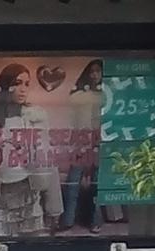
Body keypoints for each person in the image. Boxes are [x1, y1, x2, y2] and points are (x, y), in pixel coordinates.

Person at [0, 63, 60, 239]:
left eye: (27, 84)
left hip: (30, 190)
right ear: (6, 86)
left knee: (32, 243)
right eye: (18, 83)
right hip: (1, 194)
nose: (23, 89)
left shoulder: (36, 117)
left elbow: (48, 160)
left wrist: (54, 207)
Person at [56, 60, 104, 233]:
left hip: (101, 141)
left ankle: (95, 221)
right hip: (81, 141)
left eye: (98, 71)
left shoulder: (107, 95)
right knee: (73, 183)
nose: (94, 75)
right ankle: (68, 220)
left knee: (98, 184)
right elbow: (71, 117)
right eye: (91, 71)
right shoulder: (78, 96)